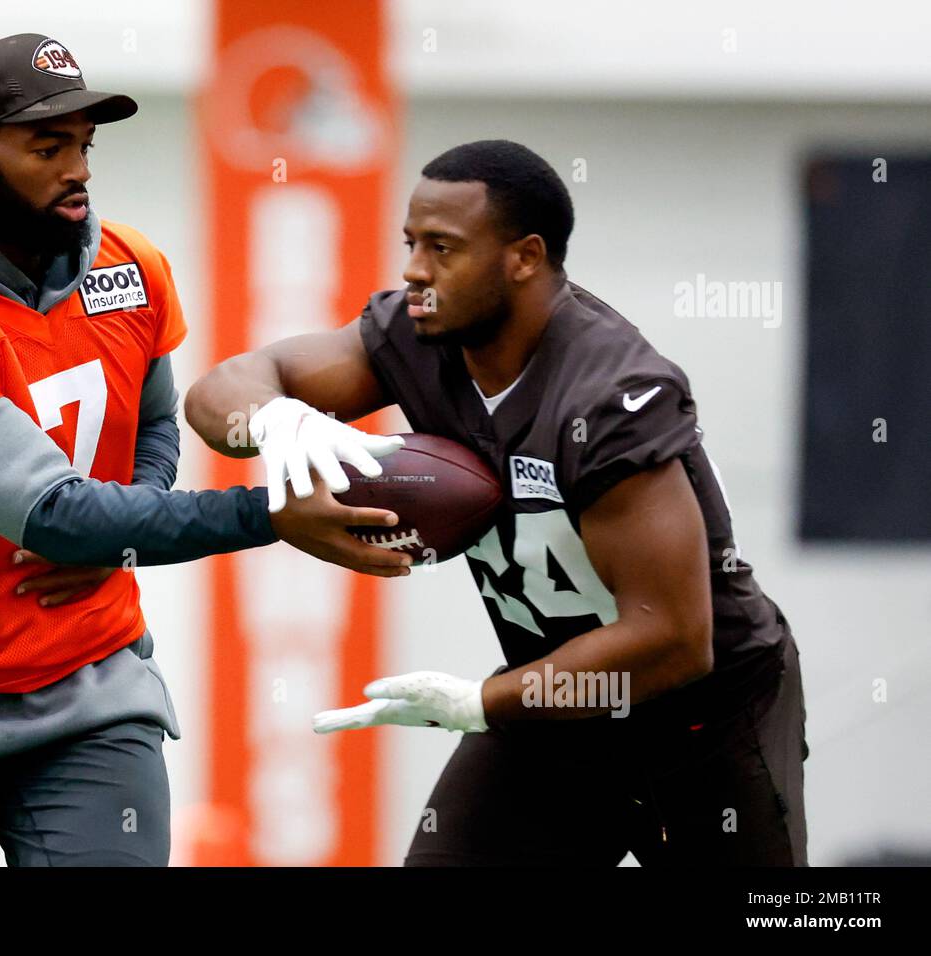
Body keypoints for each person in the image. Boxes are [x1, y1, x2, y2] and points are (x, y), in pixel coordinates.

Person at [0, 33, 407, 867]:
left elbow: (153, 426)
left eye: (84, 144)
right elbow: (52, 515)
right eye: (47, 147)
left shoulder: (131, 267)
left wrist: (122, 542)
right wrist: (272, 514)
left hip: (88, 687)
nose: (80, 169)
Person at [185, 139, 809, 866]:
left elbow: (672, 637)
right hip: (557, 704)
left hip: (701, 713)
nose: (415, 270)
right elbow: (223, 389)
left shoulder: (607, 397)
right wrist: (274, 419)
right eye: (411, 244)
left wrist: (480, 703)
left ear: (524, 257)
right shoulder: (420, 338)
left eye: (443, 248)